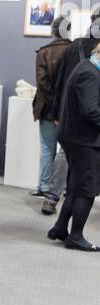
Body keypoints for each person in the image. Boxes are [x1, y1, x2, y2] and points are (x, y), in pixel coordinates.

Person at [47, 38, 100, 251]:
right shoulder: (89, 73)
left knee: (76, 186)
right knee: (87, 190)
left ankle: (60, 228)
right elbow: (91, 111)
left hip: (76, 138)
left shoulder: (86, 67)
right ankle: (76, 236)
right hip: (83, 141)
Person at [32, 14, 70, 214]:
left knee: (47, 149)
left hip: (47, 108)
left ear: (52, 31)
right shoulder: (75, 50)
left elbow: (43, 84)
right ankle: (59, 189)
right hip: (68, 110)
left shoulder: (44, 52)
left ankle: (45, 187)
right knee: (65, 152)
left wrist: (53, 105)